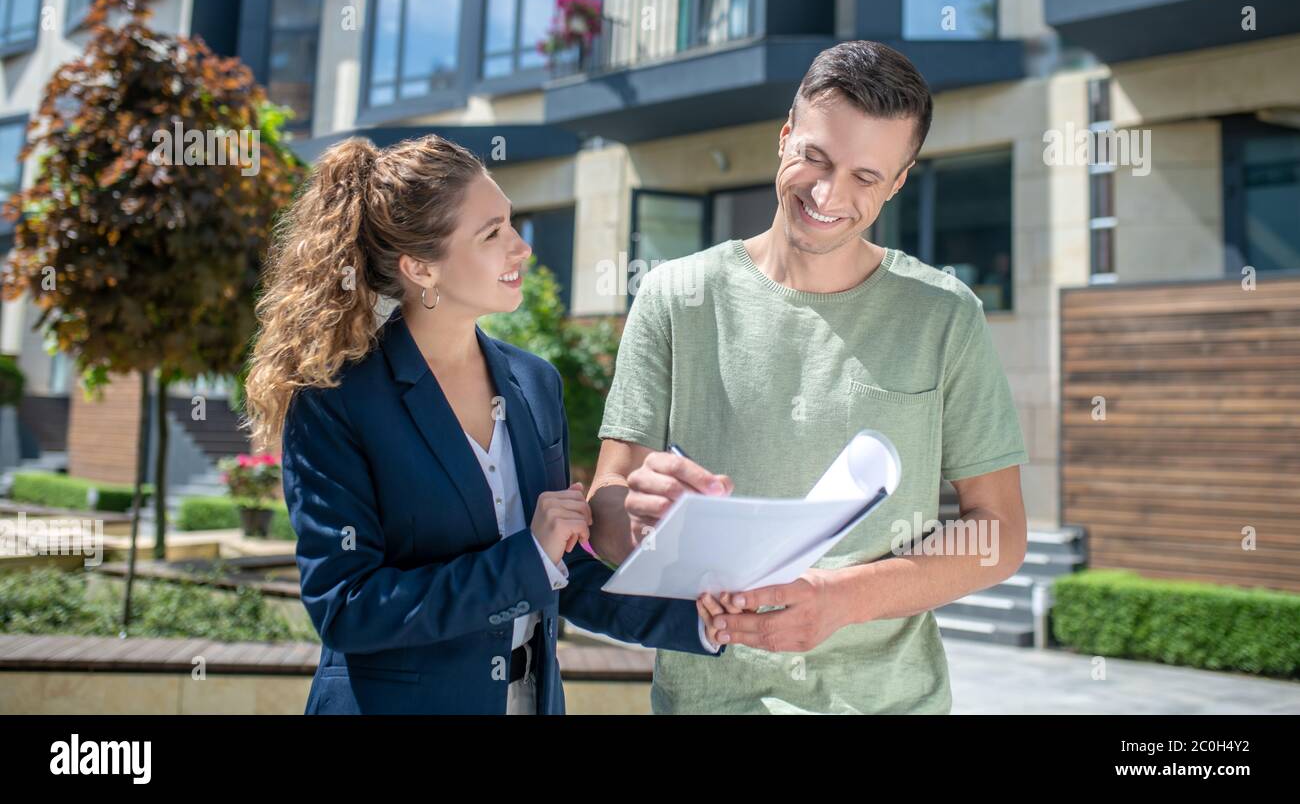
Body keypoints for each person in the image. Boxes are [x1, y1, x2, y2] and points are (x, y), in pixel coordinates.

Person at [587, 40, 1029, 714]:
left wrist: (841, 600)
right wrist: (640, 518)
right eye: (815, 159)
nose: (828, 195)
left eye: (865, 177)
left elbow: (997, 533)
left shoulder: (944, 315)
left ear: (901, 180)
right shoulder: (676, 297)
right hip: (709, 701)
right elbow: (607, 507)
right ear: (784, 136)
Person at [243, 134, 723, 714]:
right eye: (491, 234)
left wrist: (702, 617)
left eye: (511, 224)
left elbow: (560, 568)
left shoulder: (535, 383)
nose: (520, 248)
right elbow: (347, 607)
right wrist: (529, 556)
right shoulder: (335, 401)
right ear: (421, 267)